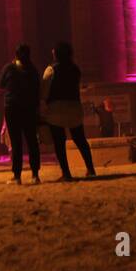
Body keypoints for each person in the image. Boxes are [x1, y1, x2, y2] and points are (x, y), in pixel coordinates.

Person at [41, 41, 96, 181]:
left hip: (56, 109)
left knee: (59, 142)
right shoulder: (75, 69)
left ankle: (66, 173)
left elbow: (44, 90)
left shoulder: (51, 69)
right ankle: (90, 168)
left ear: (56, 53)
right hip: (74, 107)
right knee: (80, 139)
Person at [0, 44, 42, 185]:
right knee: (32, 141)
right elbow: (37, 90)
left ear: (15, 55)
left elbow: (0, 84)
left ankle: (17, 176)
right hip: (29, 109)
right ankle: (35, 175)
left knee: (16, 143)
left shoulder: (9, 68)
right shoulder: (33, 70)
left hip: (13, 109)